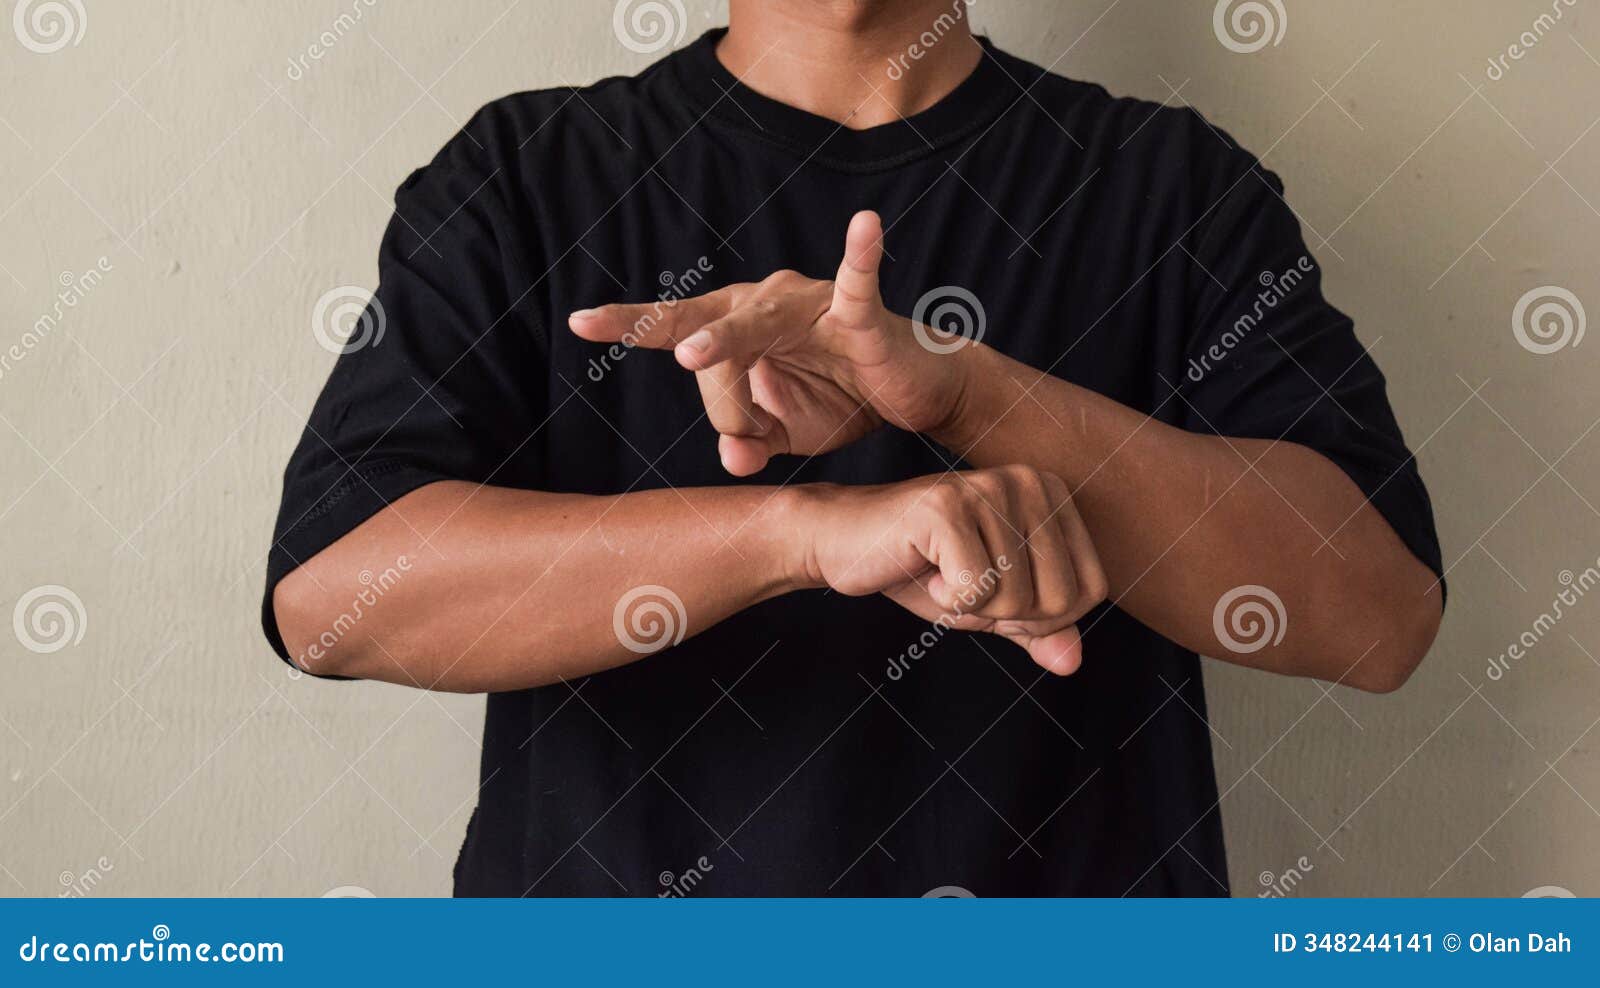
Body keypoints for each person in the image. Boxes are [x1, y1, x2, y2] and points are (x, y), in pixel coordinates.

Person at [263, 0, 1443, 896]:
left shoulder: (1172, 187)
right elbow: (331, 598)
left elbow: (1378, 616)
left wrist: (962, 391)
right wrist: (804, 531)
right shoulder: (526, 173)